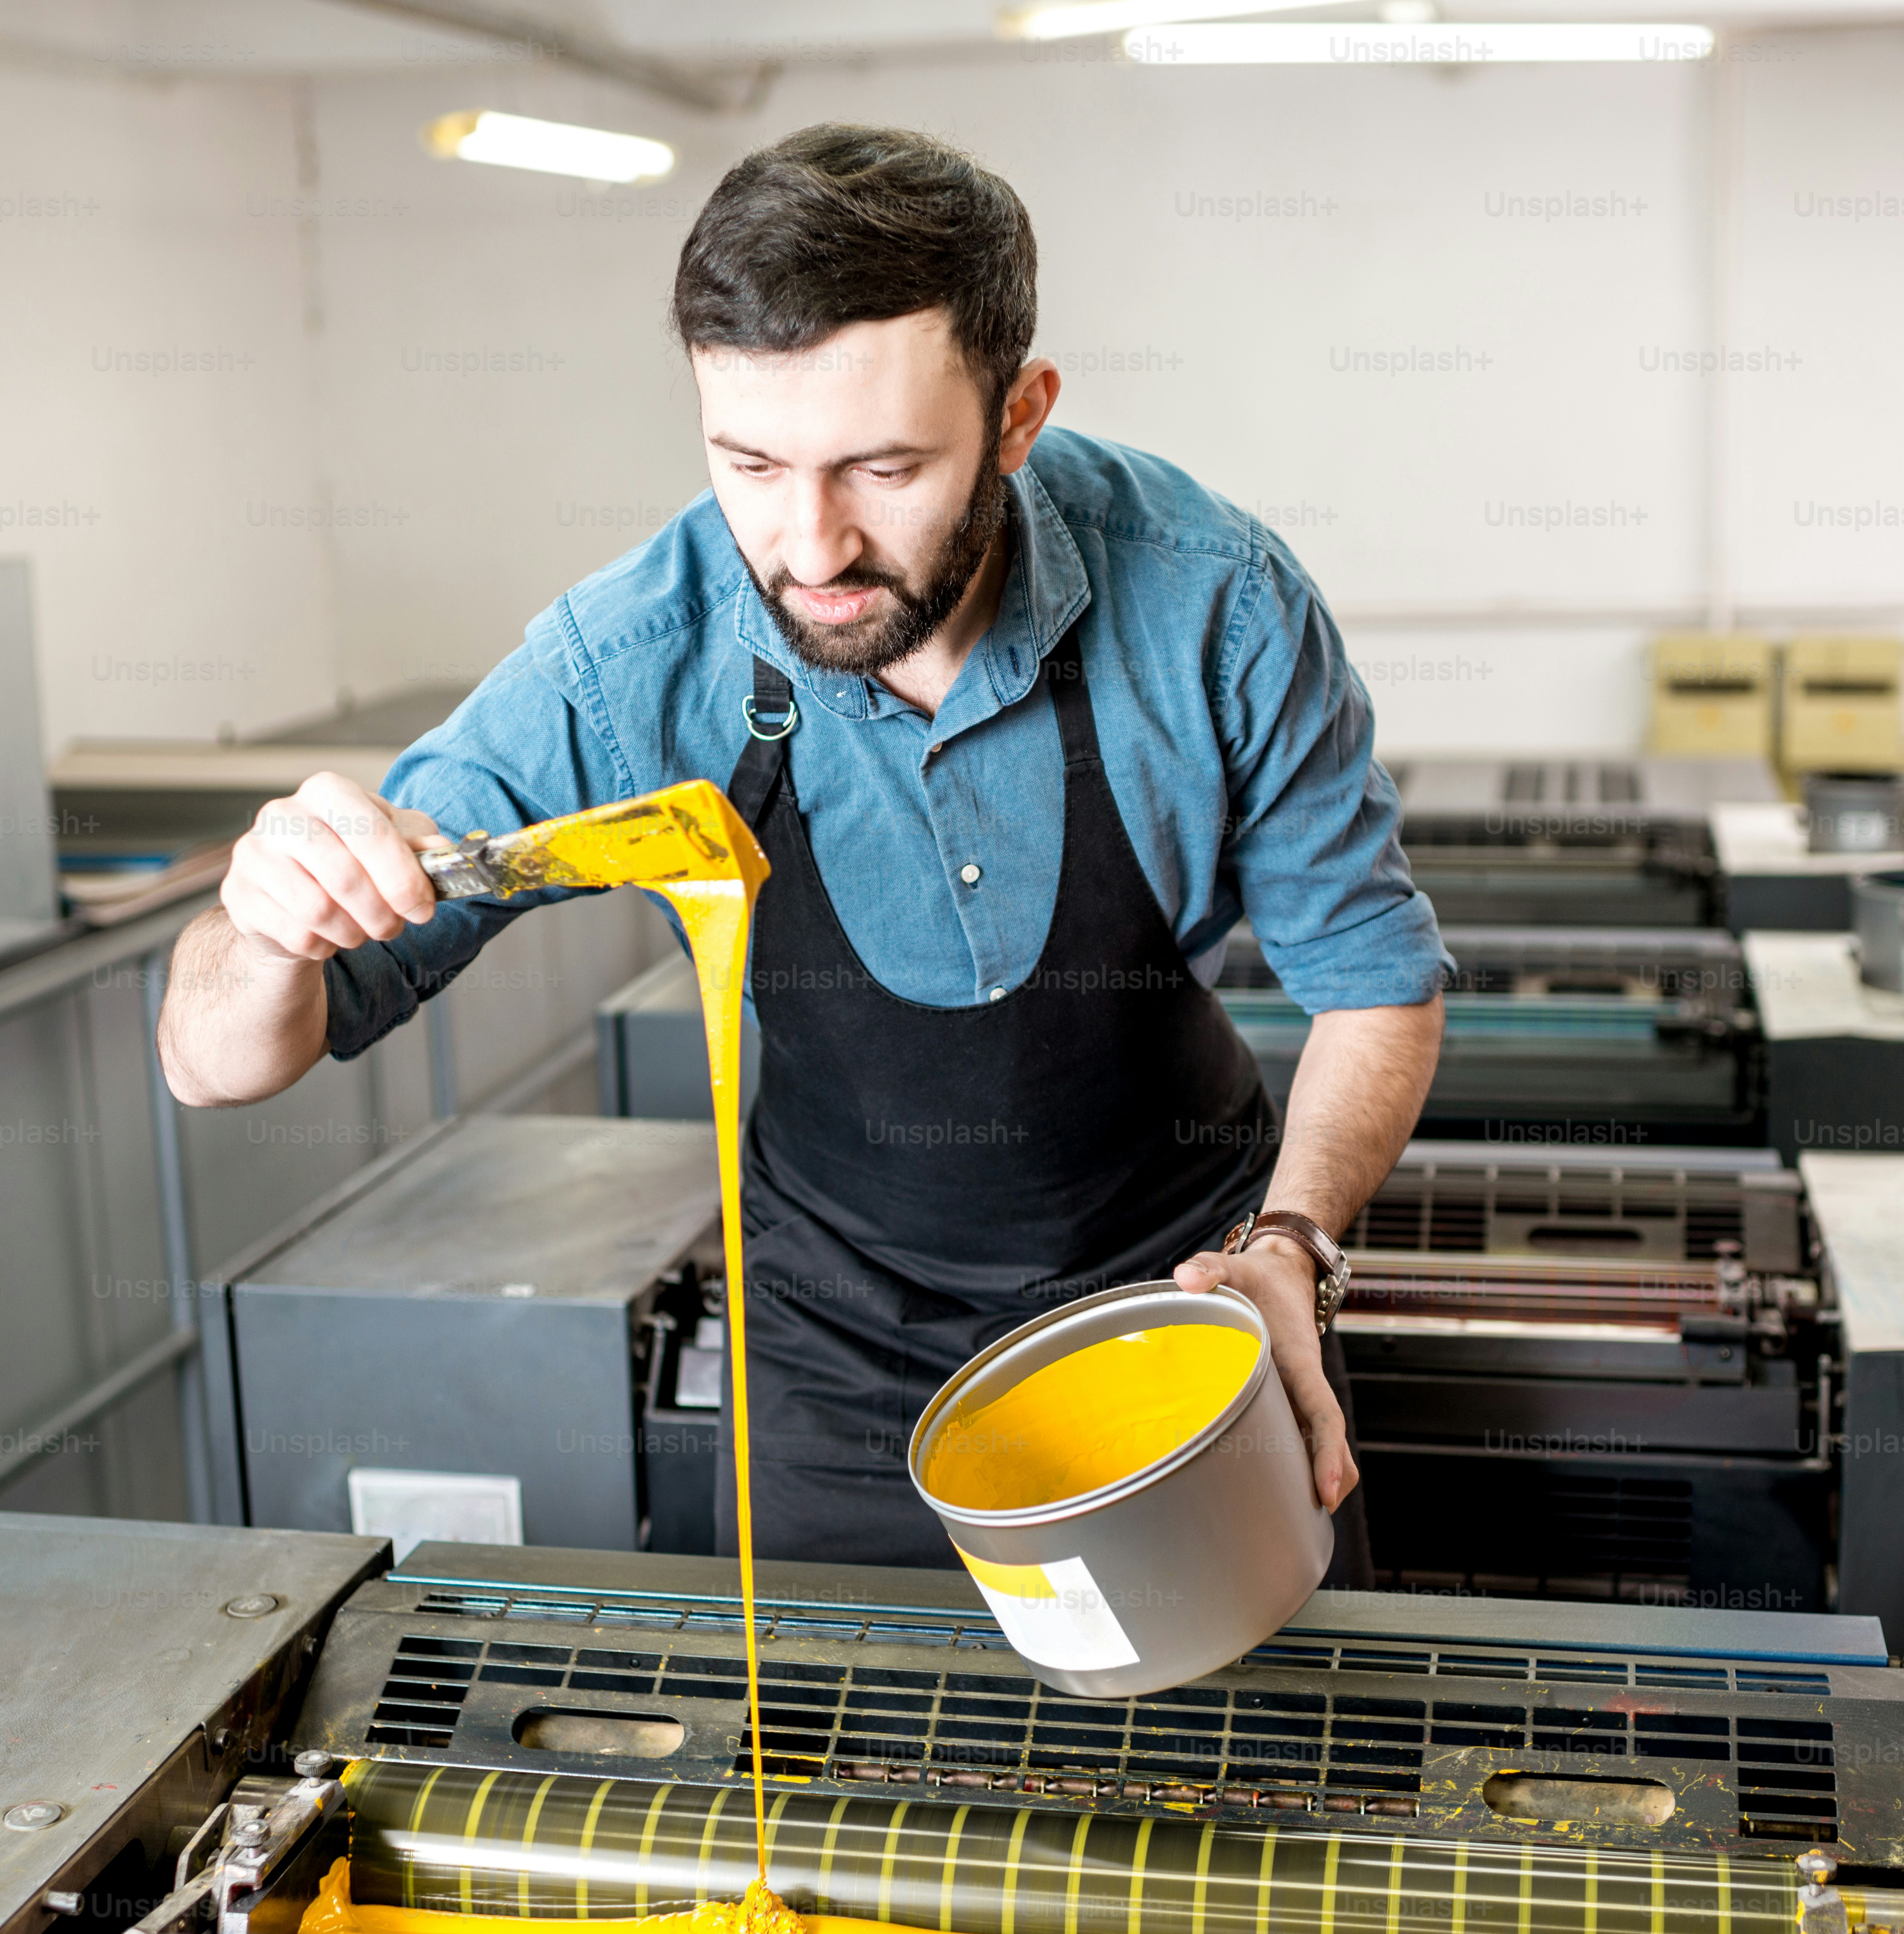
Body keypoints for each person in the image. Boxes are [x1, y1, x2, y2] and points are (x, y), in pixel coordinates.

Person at [160, 124, 1448, 1580]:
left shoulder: (1215, 603)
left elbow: (1375, 979)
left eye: (883, 469)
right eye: (750, 464)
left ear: (1019, 416)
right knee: (858, 1773)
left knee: (1248, 1757)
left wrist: (1295, 1243)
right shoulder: (637, 658)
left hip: (1180, 1309)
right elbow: (215, 1063)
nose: (811, 545)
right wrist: (266, 925)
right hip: (837, 1363)